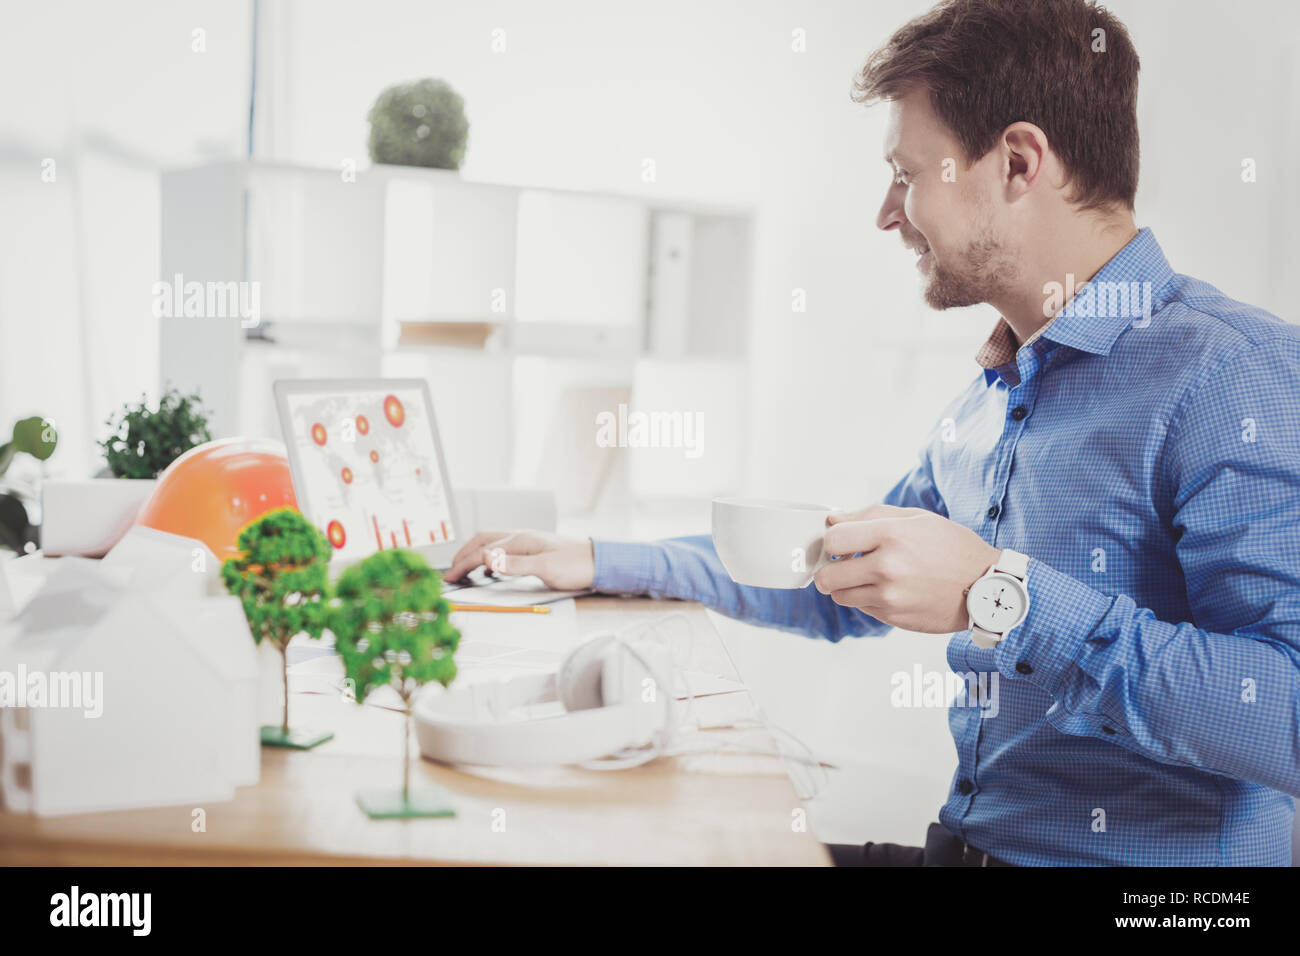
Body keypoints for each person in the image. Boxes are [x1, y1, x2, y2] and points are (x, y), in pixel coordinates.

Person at [447, 0, 1300, 866]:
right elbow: (838, 576)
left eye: (905, 172)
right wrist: (598, 560)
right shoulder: (992, 395)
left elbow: (1289, 718)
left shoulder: (1235, 375)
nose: (887, 214)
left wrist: (997, 598)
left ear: (1016, 160)